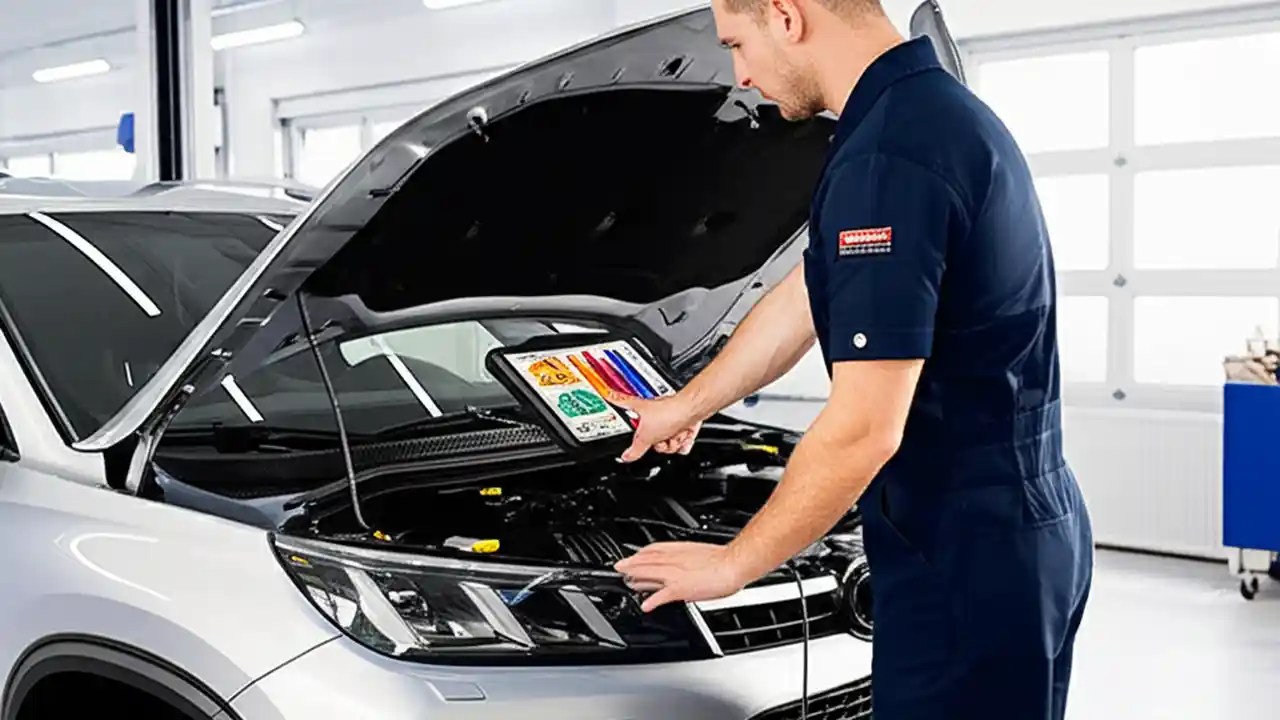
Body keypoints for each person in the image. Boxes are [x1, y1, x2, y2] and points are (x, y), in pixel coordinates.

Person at [609, 1, 1094, 718]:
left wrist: (733, 563)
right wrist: (689, 404)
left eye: (738, 43)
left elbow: (866, 428)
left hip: (965, 544)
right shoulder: (929, 113)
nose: (740, 76)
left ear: (786, 15)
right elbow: (808, 289)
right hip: (1015, 520)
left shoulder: (888, 157)